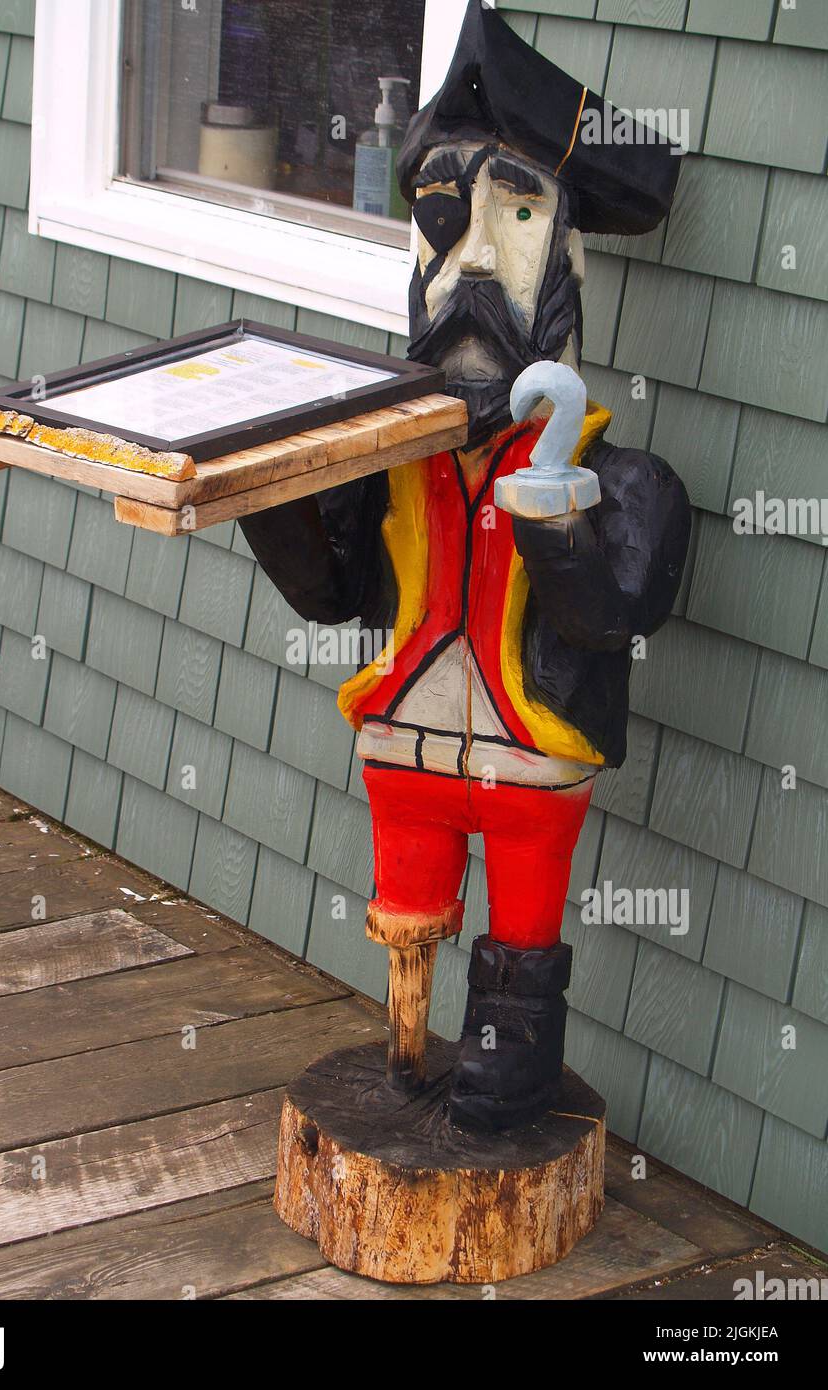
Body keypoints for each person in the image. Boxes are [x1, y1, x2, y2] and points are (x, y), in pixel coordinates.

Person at [239, 0, 691, 1131]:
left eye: (517, 213)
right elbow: (331, 589)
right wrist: (270, 489)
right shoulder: (387, 459)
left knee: (523, 922)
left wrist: (546, 492)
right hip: (402, 741)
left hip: (533, 762)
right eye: (444, 221)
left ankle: (509, 1049)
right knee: (403, 922)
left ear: (572, 254)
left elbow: (608, 613)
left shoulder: (626, 485)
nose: (473, 263)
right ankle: (404, 1035)